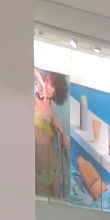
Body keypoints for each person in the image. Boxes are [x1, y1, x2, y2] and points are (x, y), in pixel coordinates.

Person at [34, 68, 71, 199]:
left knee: (57, 208)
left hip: (55, 169)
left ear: (58, 90)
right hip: (37, 171)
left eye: (52, 84)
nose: (48, 87)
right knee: (43, 208)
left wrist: (62, 131)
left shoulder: (54, 114)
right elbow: (28, 70)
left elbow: (66, 147)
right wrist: (39, 78)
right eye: (46, 81)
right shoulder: (32, 102)